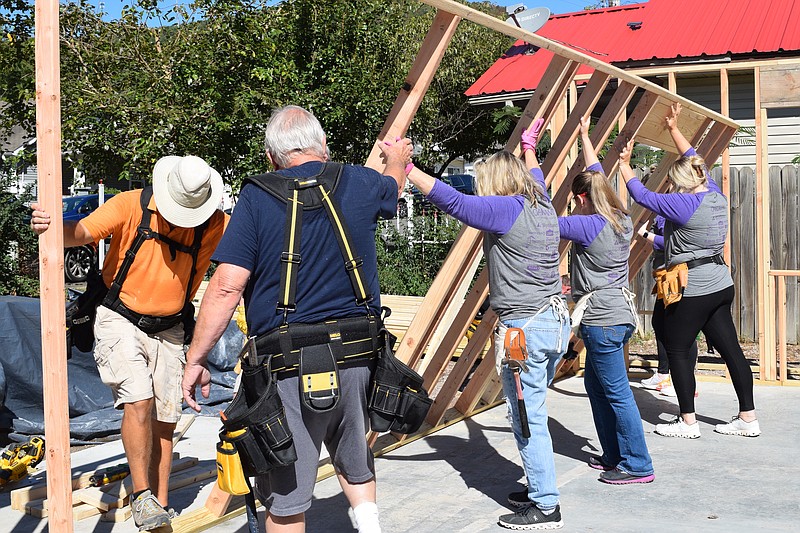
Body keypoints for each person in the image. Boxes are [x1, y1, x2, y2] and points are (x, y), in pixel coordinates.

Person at [181, 105, 412, 533]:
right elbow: (394, 187)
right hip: (358, 358)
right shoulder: (359, 181)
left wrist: (196, 359)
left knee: (286, 492)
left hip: (287, 368)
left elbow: (227, 287)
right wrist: (397, 158)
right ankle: (370, 527)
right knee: (355, 458)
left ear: (272, 157)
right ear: (323, 145)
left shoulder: (257, 196)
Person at [30, 155, 228, 530]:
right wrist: (52, 225)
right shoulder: (130, 205)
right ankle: (142, 496)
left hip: (171, 328)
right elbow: (81, 232)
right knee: (138, 400)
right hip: (120, 317)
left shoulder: (215, 223)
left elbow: (250, 253)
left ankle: (160, 506)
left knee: (166, 419)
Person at [404, 118, 570, 530]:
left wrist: (407, 168)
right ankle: (539, 486)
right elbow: (536, 173)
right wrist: (529, 146)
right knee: (532, 409)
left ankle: (546, 505)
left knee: (527, 417)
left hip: (524, 329)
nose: (480, 189)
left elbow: (457, 204)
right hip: (553, 323)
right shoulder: (541, 201)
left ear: (495, 182)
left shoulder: (506, 208)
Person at [619, 103, 760, 439]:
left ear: (681, 182)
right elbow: (695, 158)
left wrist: (624, 164)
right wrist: (673, 129)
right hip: (720, 283)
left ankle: (687, 422)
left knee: (679, 350)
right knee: (732, 352)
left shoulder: (683, 204)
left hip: (693, 287)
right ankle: (748, 418)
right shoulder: (714, 194)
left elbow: (640, 194)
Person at [543, 117, 654, 485]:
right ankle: (613, 454)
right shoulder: (620, 218)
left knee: (617, 393)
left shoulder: (585, 225)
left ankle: (637, 464)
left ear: (580, 199)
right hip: (617, 315)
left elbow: (542, 222)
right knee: (596, 386)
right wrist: (584, 137)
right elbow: (597, 177)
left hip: (602, 321)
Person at [638, 217, 699, 398]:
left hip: (675, 275)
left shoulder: (672, 212)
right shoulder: (659, 213)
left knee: (682, 331)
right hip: (664, 276)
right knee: (659, 323)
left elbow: (670, 242)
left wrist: (645, 234)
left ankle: (688, 384)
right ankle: (663, 375)